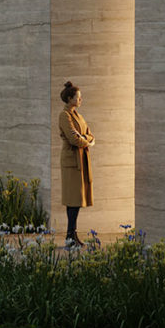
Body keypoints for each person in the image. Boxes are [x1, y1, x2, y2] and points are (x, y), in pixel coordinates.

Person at [58, 81, 94, 249]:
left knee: (78, 199)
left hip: (81, 159)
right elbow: (74, 138)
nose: (81, 100)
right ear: (70, 98)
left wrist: (86, 140)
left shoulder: (77, 115)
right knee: (73, 199)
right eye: (78, 98)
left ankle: (72, 235)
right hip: (72, 162)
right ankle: (70, 236)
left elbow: (89, 134)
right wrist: (86, 141)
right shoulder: (64, 115)